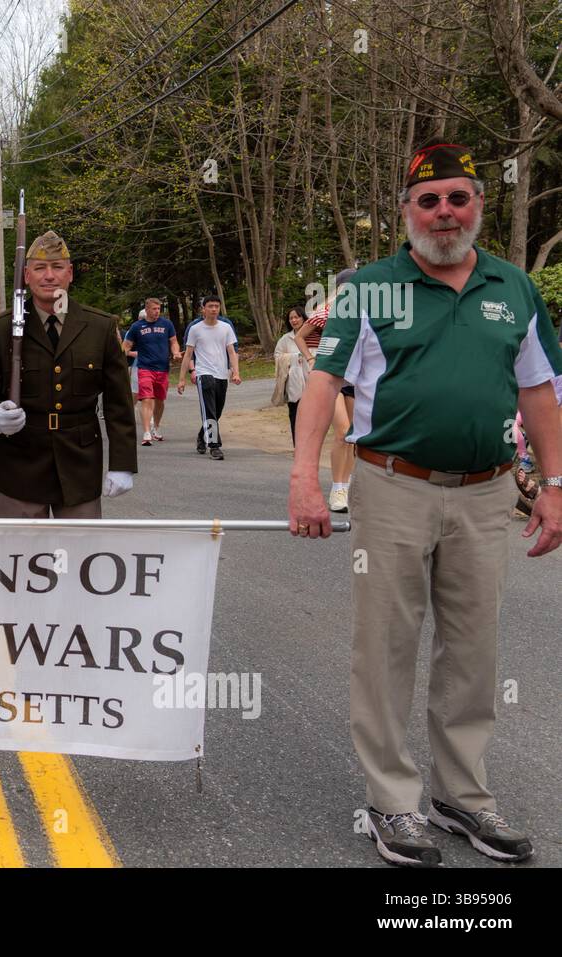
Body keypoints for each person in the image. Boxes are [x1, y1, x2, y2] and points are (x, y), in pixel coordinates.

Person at [288, 144, 562, 868]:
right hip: (392, 485)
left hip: (487, 492)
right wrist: (305, 477)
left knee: (474, 648)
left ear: (479, 204)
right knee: (386, 644)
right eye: (429, 199)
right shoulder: (372, 288)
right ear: (407, 211)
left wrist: (556, 485)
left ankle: (463, 797)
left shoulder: (514, 286)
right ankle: (392, 801)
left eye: (457, 197)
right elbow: (323, 383)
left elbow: (538, 389)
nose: (444, 211)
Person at [0, 230, 136, 518]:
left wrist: (123, 463)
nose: (49, 276)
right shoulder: (1, 329)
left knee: (78, 557)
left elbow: (118, 403)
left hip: (79, 465)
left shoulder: (100, 328)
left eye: (57, 267)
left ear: (69, 273)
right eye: (40, 268)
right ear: (26, 274)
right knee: (21, 559)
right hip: (18, 464)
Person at [297, 268, 359, 511]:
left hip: (354, 379)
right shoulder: (327, 310)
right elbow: (300, 336)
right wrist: (311, 360)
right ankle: (337, 489)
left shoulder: (364, 312)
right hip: (329, 378)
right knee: (343, 431)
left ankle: (349, 485)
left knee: (354, 436)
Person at [177, 295, 241, 460]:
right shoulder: (195, 329)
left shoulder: (226, 327)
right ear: (203, 309)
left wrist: (236, 372)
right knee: (209, 410)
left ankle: (202, 435)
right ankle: (214, 446)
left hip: (222, 374)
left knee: (216, 411)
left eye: (216, 306)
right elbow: (188, 354)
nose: (214, 309)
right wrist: (182, 379)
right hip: (204, 373)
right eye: (210, 306)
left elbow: (232, 352)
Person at [123, 297, 181, 445]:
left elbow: (173, 341)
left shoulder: (167, 324)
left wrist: (175, 352)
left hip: (162, 368)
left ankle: (156, 427)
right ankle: (147, 432)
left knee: (160, 400)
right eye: (154, 309)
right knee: (147, 398)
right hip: (144, 368)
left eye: (158, 309)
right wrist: (119, 355)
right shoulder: (137, 327)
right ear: (147, 310)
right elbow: (127, 345)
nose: (157, 312)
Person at [273, 305, 310, 444]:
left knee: (311, 414)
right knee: (295, 413)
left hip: (310, 378)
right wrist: (294, 357)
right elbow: (277, 356)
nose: (294, 320)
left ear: (303, 318)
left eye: (297, 317)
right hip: (293, 381)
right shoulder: (286, 338)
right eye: (291, 318)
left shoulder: (312, 335)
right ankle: (298, 445)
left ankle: (309, 445)